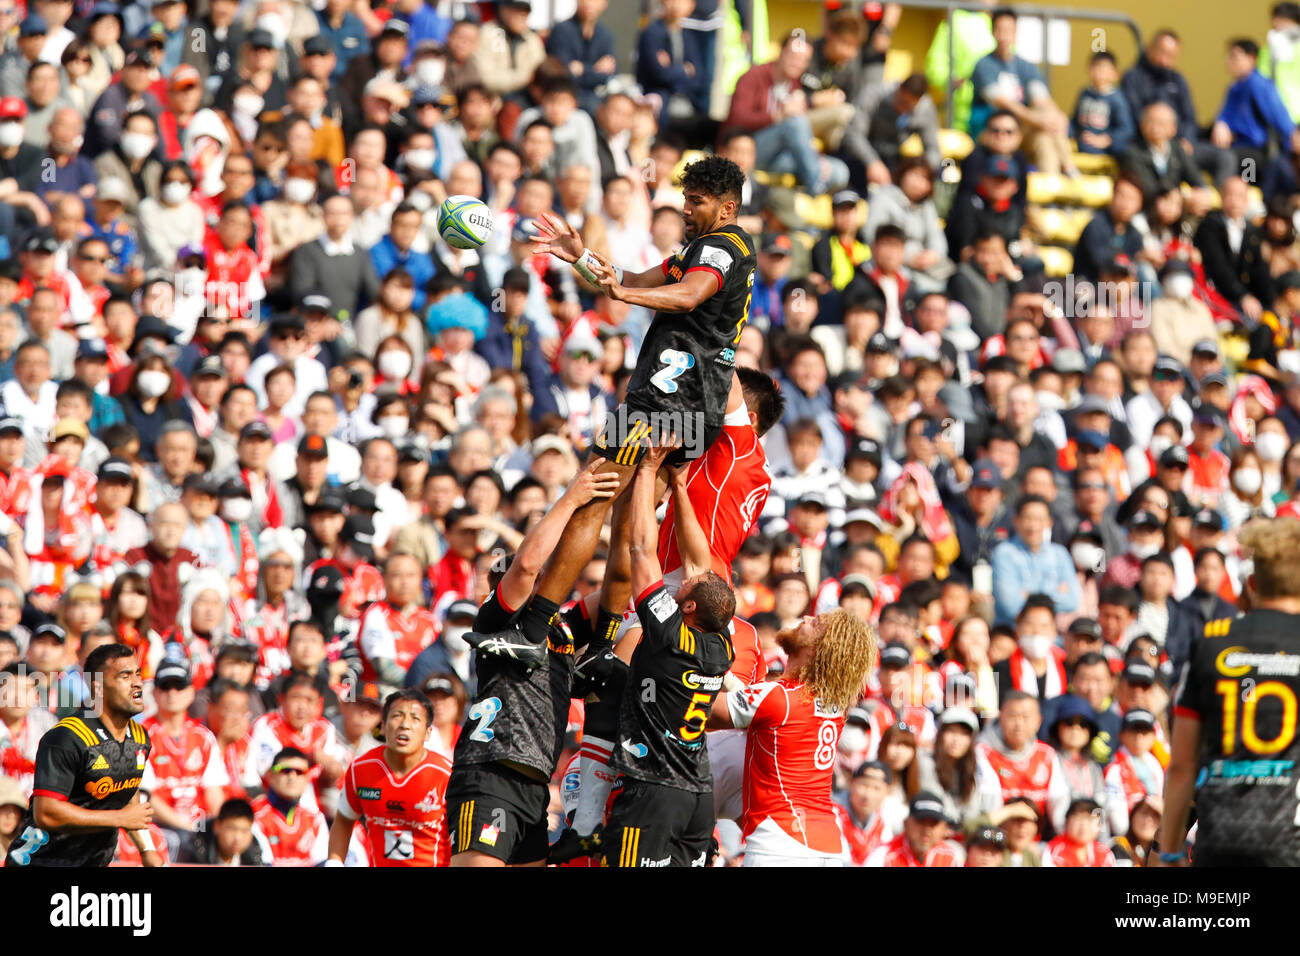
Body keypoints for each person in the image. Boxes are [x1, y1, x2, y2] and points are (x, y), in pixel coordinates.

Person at [511, 156, 753, 671]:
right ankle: (603, 644)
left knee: (590, 500)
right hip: (693, 411)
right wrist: (582, 259)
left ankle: (532, 626)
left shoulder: (722, 248)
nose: (687, 208)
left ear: (727, 207)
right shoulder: (700, 248)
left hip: (661, 400)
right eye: (686, 198)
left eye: (698, 201)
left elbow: (686, 295)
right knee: (628, 527)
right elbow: (626, 276)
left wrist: (625, 293)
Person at [444, 461, 620, 867]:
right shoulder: (497, 617)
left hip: (535, 786)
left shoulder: (561, 626)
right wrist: (572, 497)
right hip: (490, 775)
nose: (531, 574)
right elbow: (524, 565)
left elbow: (615, 587)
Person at [599, 440, 736, 867]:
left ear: (690, 607)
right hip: (697, 792)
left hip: (652, 788)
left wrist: (646, 471)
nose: (681, 582)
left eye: (685, 591)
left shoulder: (670, 634)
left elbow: (640, 549)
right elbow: (701, 567)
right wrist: (679, 485)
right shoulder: (723, 644)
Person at [1158, 518, 1300, 866]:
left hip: (1219, 832)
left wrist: (1170, 850)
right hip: (1290, 837)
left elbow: (1181, 766)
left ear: (1251, 584)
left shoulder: (1210, 643)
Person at [707, 607, 875, 867]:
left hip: (781, 845)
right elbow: (769, 709)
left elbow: (699, 710)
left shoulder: (780, 698)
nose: (806, 618)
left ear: (818, 648)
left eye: (816, 623)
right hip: (829, 845)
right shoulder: (836, 704)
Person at [5, 643, 159, 867]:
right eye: (125, 676)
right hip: (40, 862)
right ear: (98, 688)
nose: (137, 683)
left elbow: (126, 794)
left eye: (137, 674)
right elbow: (46, 813)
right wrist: (118, 818)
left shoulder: (139, 737)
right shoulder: (67, 737)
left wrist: (146, 850)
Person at [328, 688, 452, 867]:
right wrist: (334, 862)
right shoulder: (361, 768)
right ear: (383, 726)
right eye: (397, 716)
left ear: (428, 733)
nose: (405, 724)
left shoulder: (445, 775)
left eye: (415, 718)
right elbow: (343, 820)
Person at [250, 745, 328, 866]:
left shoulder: (315, 818)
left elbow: (322, 862)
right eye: (285, 770)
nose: (292, 777)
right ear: (270, 775)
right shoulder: (254, 815)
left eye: (299, 772)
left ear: (307, 779)